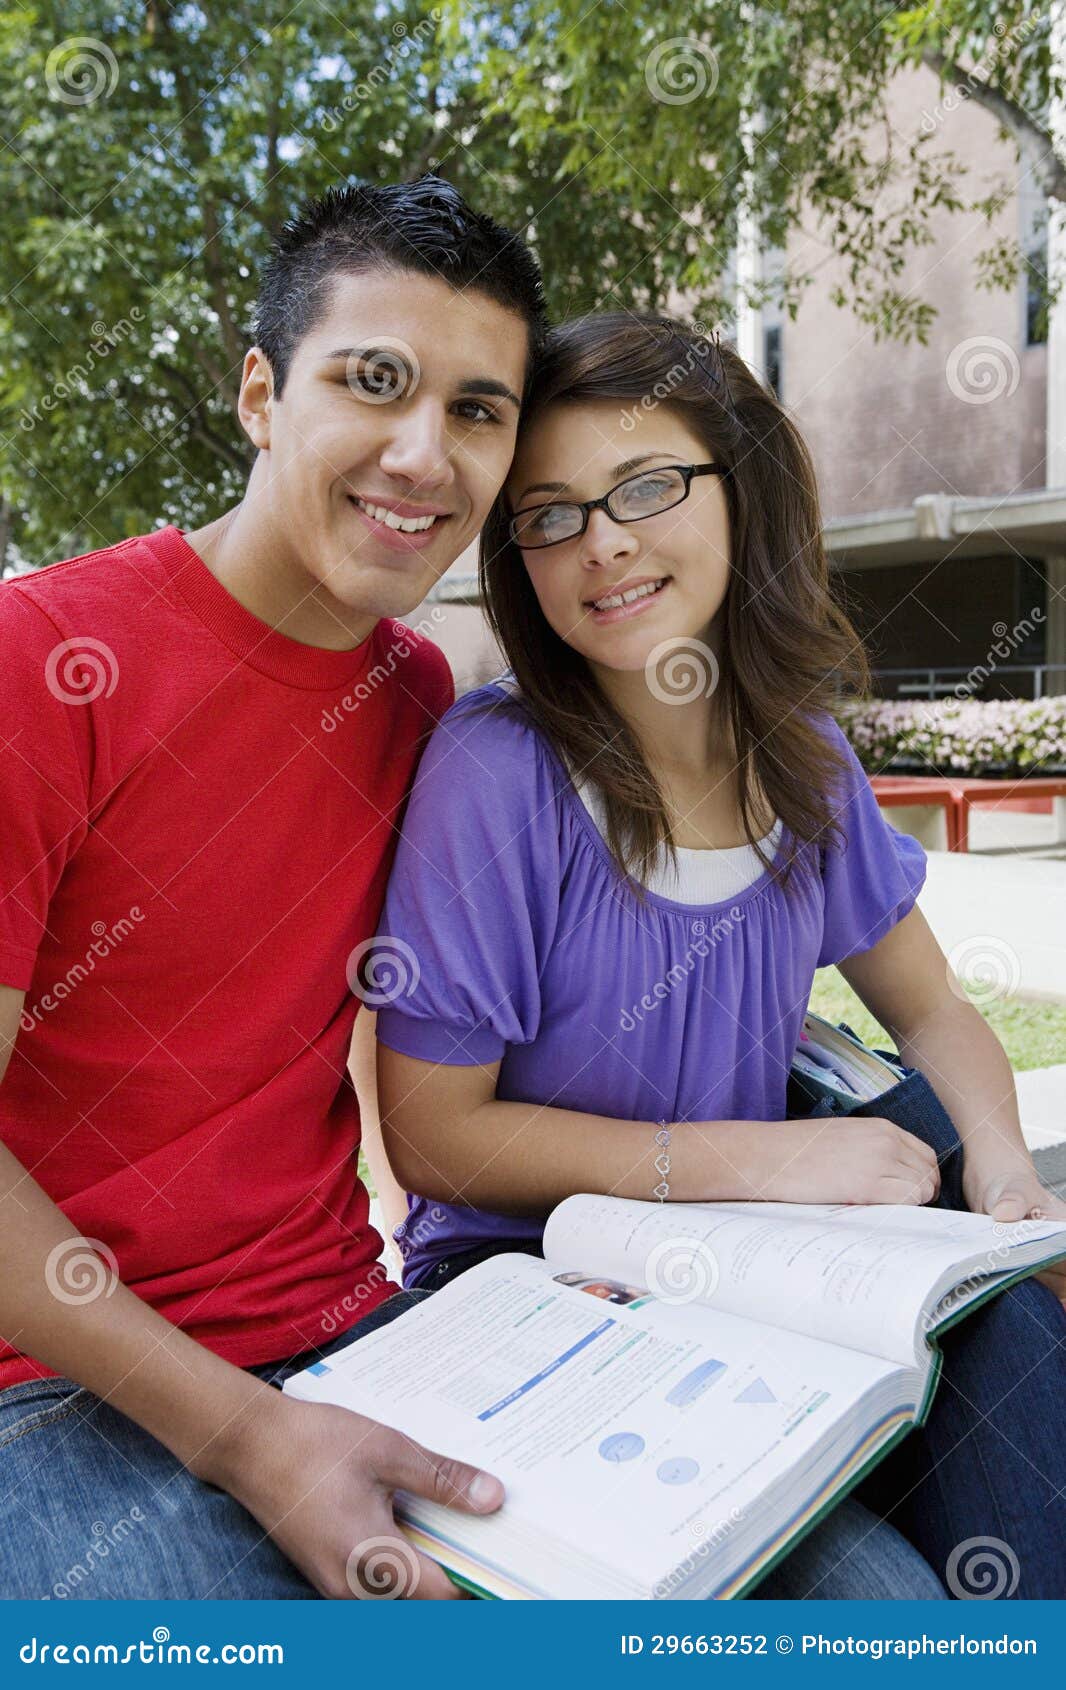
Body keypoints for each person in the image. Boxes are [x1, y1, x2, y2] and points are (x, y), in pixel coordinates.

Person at [373, 312, 1066, 1598]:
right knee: (891, 1612)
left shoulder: (802, 757)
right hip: (533, 1279)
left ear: (739, 488)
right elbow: (432, 1136)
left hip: (755, 1262)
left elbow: (932, 1011)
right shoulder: (495, 771)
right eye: (551, 513)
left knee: (1020, 1374)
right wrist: (764, 1157)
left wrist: (1009, 1178)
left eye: (643, 486)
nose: (604, 542)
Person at [0, 174, 544, 1600]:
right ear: (259, 395)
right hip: (50, 1378)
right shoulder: (43, 657)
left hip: (358, 1321)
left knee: (859, 1603)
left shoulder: (415, 690)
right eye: (374, 382)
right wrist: (249, 1434)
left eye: (478, 410)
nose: (423, 453)